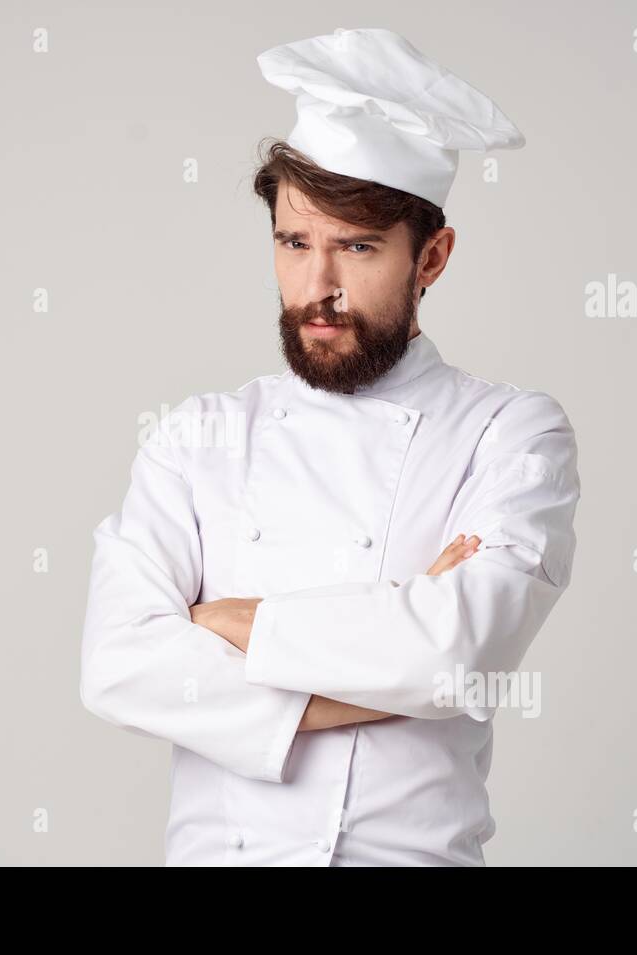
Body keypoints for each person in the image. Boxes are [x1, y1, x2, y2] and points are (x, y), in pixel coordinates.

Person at [79, 27, 580, 866]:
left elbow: (459, 654)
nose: (319, 289)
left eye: (356, 246)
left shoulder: (512, 431)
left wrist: (230, 623)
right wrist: (394, 657)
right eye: (293, 243)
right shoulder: (198, 436)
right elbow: (116, 666)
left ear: (434, 256)